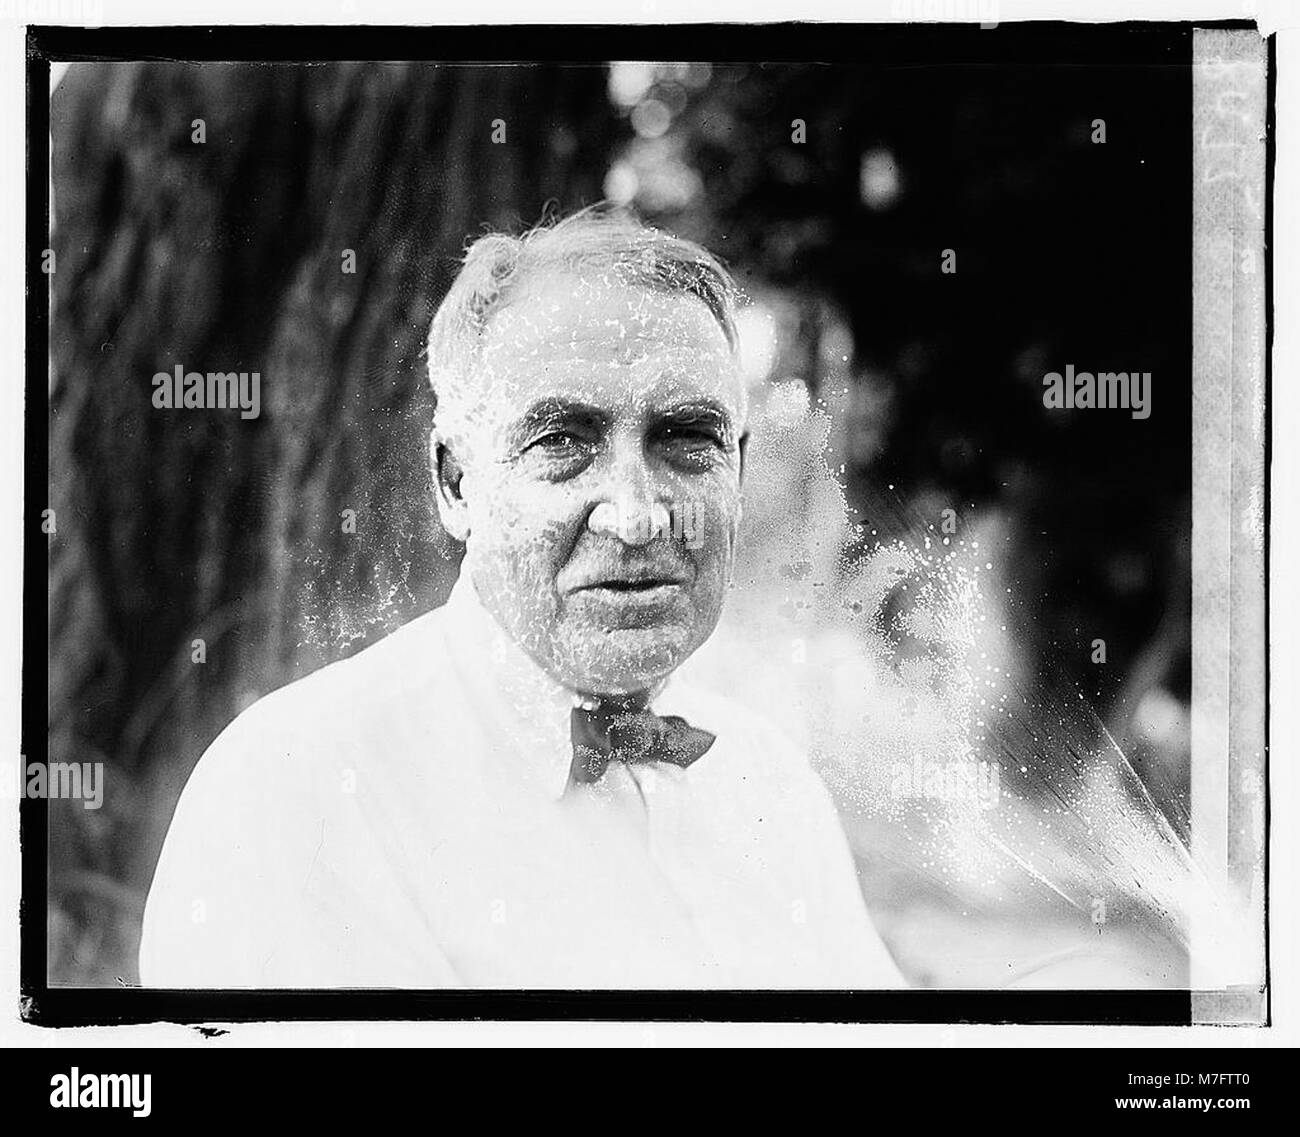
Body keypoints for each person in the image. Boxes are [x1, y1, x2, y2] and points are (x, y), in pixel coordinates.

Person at [138, 205, 906, 988]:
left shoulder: (770, 783)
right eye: (563, 443)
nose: (637, 515)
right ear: (457, 482)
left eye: (686, 439)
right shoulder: (298, 786)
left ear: (737, 471)